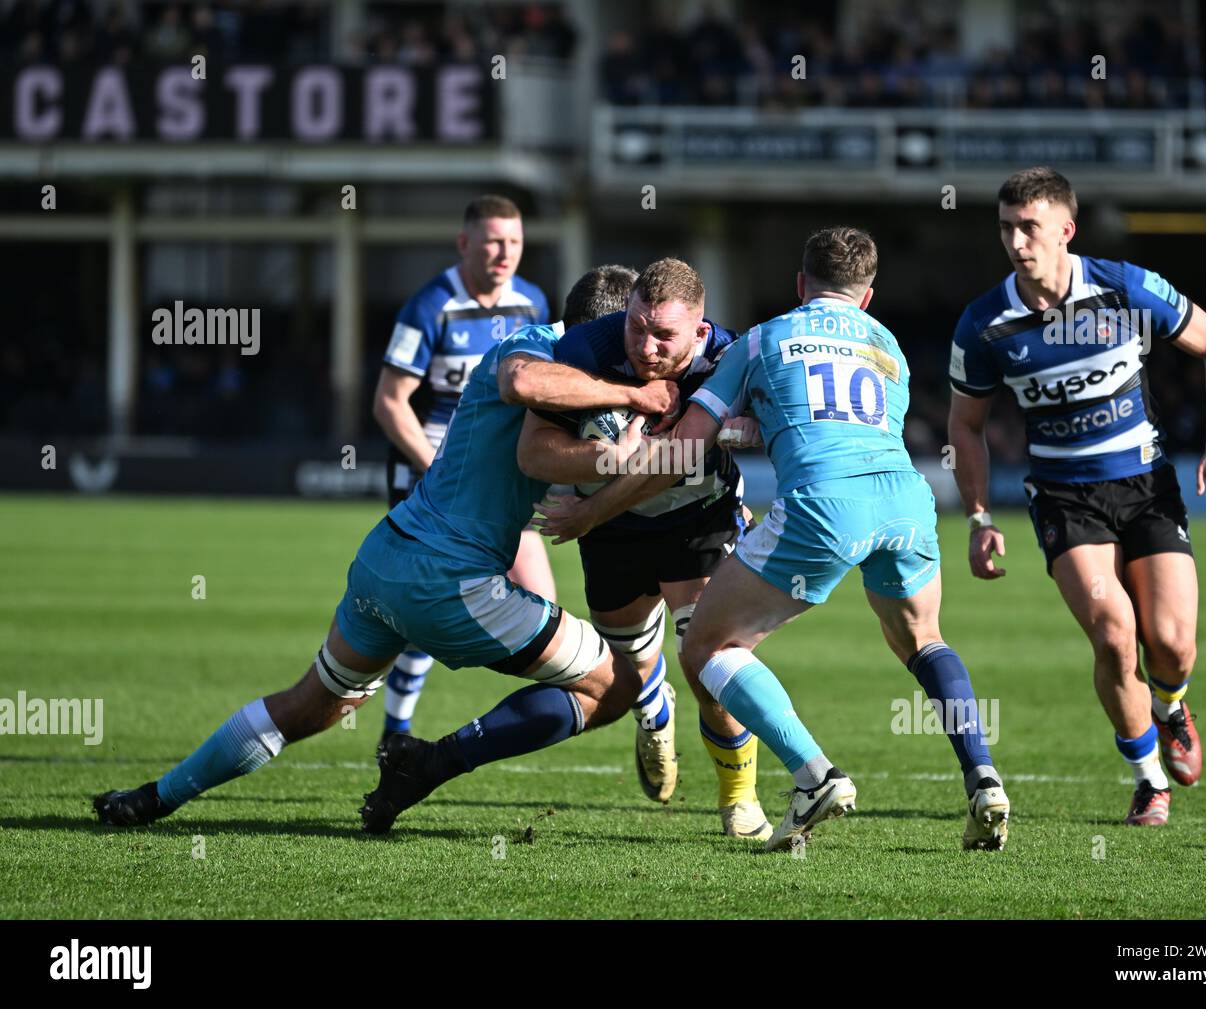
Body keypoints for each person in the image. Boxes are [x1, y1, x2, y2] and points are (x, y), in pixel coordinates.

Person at [92, 267, 678, 832]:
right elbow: (522, 384)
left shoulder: (572, 365)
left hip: (387, 559)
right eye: (631, 337)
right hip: (454, 582)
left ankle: (154, 797)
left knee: (309, 705)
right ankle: (429, 764)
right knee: (618, 686)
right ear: (604, 334)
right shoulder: (536, 348)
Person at [536, 228, 1010, 852]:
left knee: (705, 647)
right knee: (925, 641)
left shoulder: (761, 340)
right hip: (907, 499)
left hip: (824, 504)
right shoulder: (886, 343)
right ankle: (983, 779)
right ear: (866, 297)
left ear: (798, 285)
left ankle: (814, 775)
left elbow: (680, 449)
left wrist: (594, 510)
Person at [947, 166, 1206, 825]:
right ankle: (1148, 779)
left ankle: (1171, 706)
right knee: (1115, 636)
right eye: (1006, 228)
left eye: (1029, 226)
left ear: (1066, 229)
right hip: (1063, 497)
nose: (1016, 241)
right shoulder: (984, 323)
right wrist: (977, 516)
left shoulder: (1124, 287)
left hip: (1147, 487)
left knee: (1170, 643)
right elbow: (964, 427)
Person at [515, 257, 774, 840]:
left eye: (664, 336)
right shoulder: (583, 353)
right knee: (629, 664)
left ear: (700, 332)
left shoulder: (729, 355)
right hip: (613, 532)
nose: (648, 347)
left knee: (711, 663)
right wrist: (613, 459)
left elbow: (760, 428)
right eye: (637, 328)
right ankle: (654, 706)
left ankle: (740, 798)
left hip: (698, 518)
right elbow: (534, 455)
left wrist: (732, 430)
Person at [371, 194, 554, 743]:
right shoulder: (430, 305)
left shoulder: (532, 303)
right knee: (422, 605)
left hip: (498, 476)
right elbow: (388, 401)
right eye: (493, 240)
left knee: (544, 607)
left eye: (515, 242)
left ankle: (617, 708)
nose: (504, 252)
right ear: (464, 243)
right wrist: (436, 469)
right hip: (429, 475)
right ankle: (396, 730)